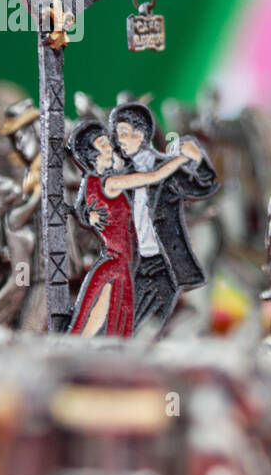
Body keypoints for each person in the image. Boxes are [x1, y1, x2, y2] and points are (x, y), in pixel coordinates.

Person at [66, 121, 193, 338]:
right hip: (116, 262)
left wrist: (87, 216)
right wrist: (182, 158)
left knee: (95, 318)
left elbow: (79, 209)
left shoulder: (91, 183)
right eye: (104, 145)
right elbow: (152, 176)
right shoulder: (109, 183)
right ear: (92, 153)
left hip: (118, 261)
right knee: (99, 321)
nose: (110, 148)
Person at [107, 102, 219, 333]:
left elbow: (204, 186)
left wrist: (198, 160)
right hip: (138, 263)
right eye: (117, 136)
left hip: (165, 263)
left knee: (150, 326)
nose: (119, 142)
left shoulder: (167, 171)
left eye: (123, 135)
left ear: (140, 135)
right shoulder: (124, 175)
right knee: (130, 324)